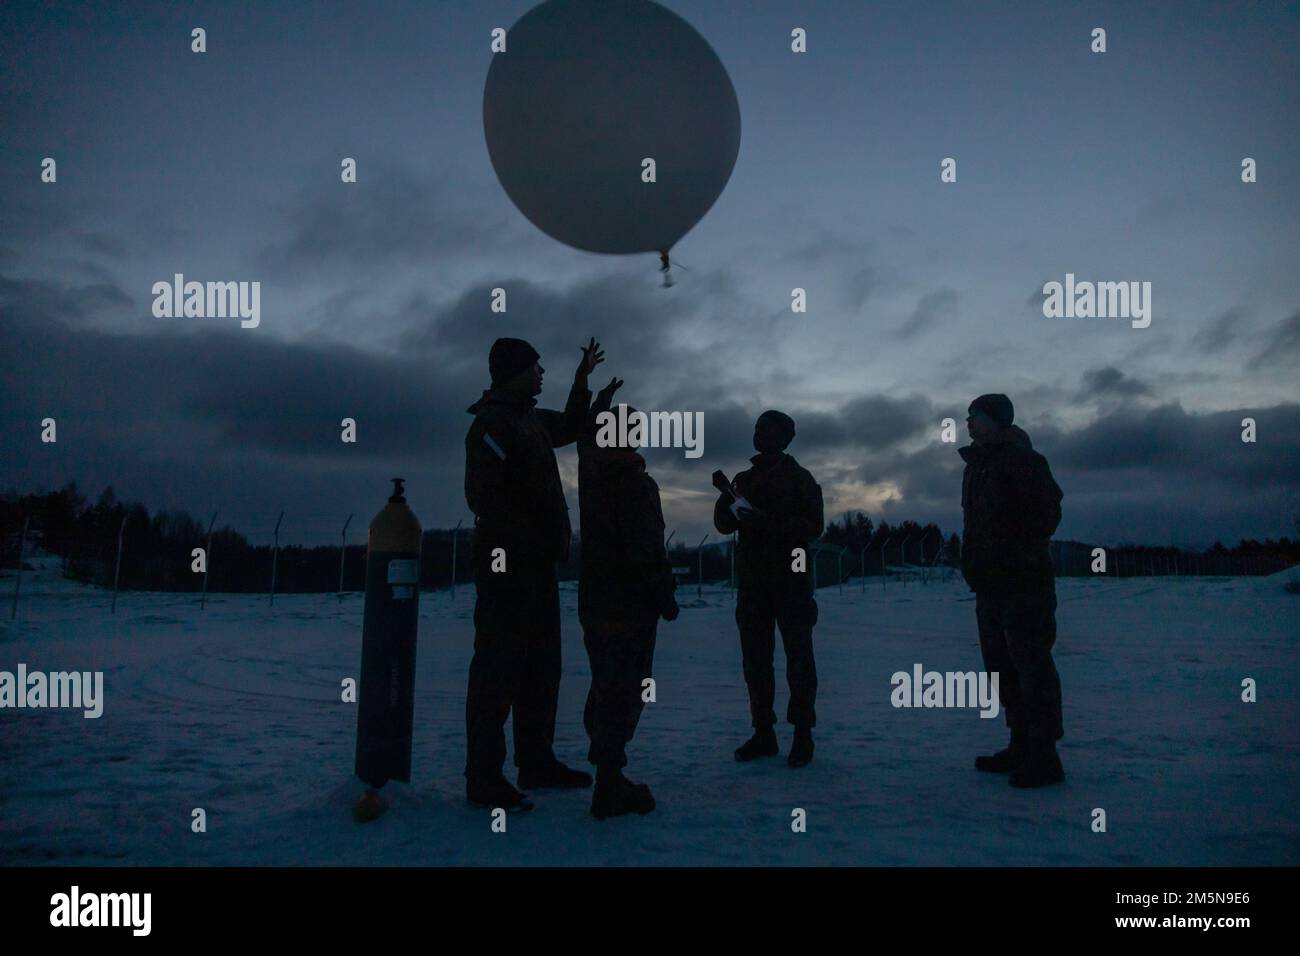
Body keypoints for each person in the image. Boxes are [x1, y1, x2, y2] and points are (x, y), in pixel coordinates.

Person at [462, 336, 604, 811]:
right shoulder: (493, 424)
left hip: (536, 565)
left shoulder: (530, 420)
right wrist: (526, 537)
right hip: (507, 565)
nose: (542, 374)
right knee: (498, 669)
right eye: (535, 367)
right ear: (513, 371)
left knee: (541, 667)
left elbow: (569, 425)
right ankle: (483, 777)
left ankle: (536, 762)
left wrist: (583, 383)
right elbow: (484, 498)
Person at [577, 388, 680, 819]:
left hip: (598, 600)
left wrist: (595, 403)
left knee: (607, 683)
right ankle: (609, 779)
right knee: (626, 687)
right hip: (628, 604)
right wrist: (664, 593)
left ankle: (606, 764)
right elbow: (646, 551)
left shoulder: (594, 476)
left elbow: (586, 442)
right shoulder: (632, 485)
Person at [959, 393, 1066, 788]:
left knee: (1031, 667)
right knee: (1001, 668)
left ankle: (1045, 754)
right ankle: (1020, 742)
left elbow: (1047, 514)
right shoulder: (977, 467)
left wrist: (1012, 555)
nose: (968, 423)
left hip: (1023, 585)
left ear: (997, 421)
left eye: (976, 417)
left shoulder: (1023, 461)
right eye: (968, 417)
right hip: (990, 588)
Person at [713, 410, 824, 768]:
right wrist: (726, 496)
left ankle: (802, 733)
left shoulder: (801, 479)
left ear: (784, 437)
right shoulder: (745, 479)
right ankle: (764, 731)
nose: (758, 433)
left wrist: (766, 522)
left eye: (766, 428)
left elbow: (812, 527)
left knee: (799, 662)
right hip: (753, 585)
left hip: (791, 584)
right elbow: (722, 525)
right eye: (756, 427)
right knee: (756, 662)